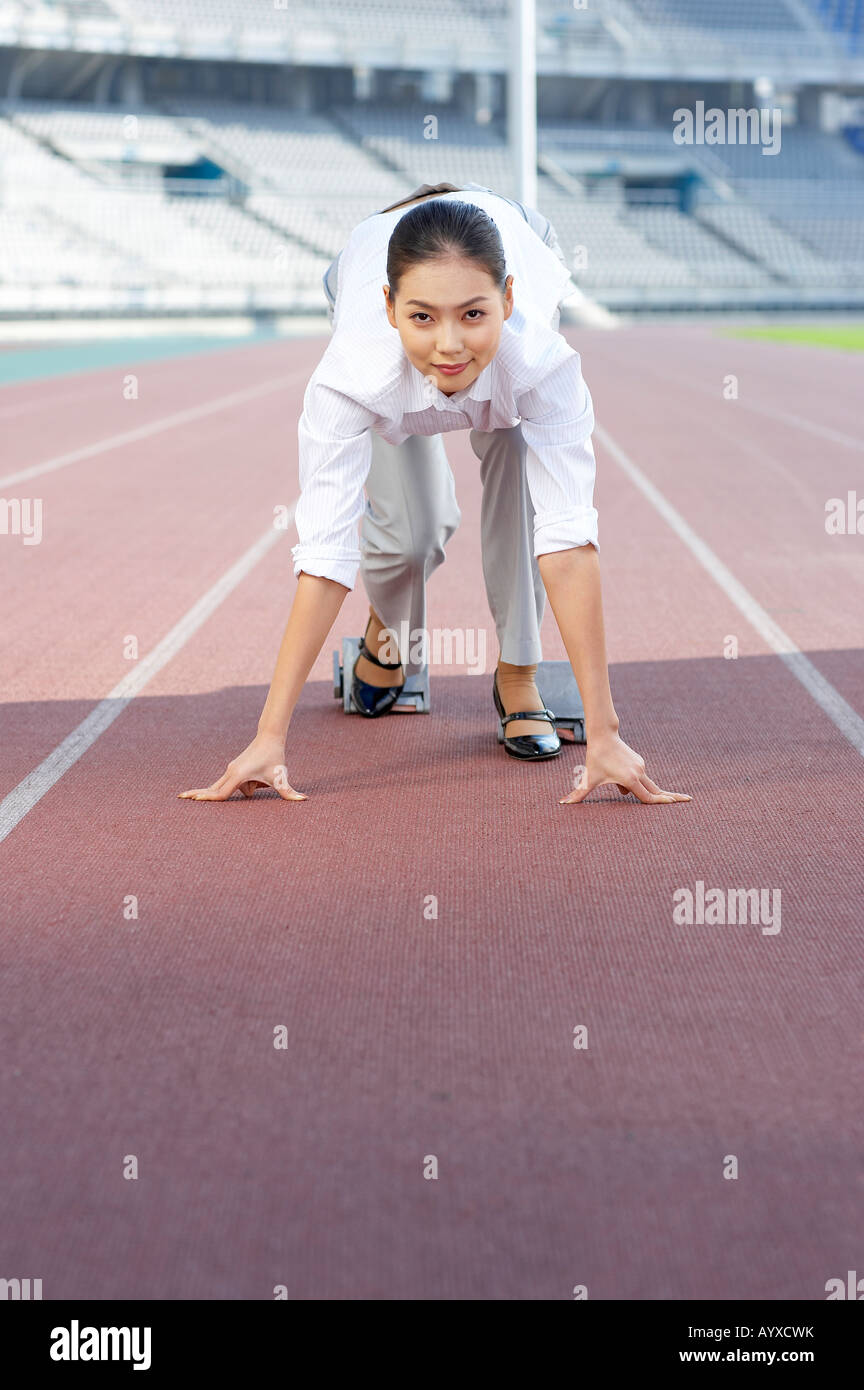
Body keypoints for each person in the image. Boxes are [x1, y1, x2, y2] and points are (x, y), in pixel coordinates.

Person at [179, 183, 691, 807]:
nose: (449, 345)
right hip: (378, 265)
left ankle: (519, 674)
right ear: (391, 307)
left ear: (506, 299)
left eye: (473, 314)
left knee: (515, 452)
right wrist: (268, 737)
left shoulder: (540, 363)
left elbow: (567, 536)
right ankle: (387, 634)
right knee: (411, 537)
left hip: (513, 252)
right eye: (423, 318)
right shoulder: (354, 374)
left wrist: (606, 733)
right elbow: (324, 554)